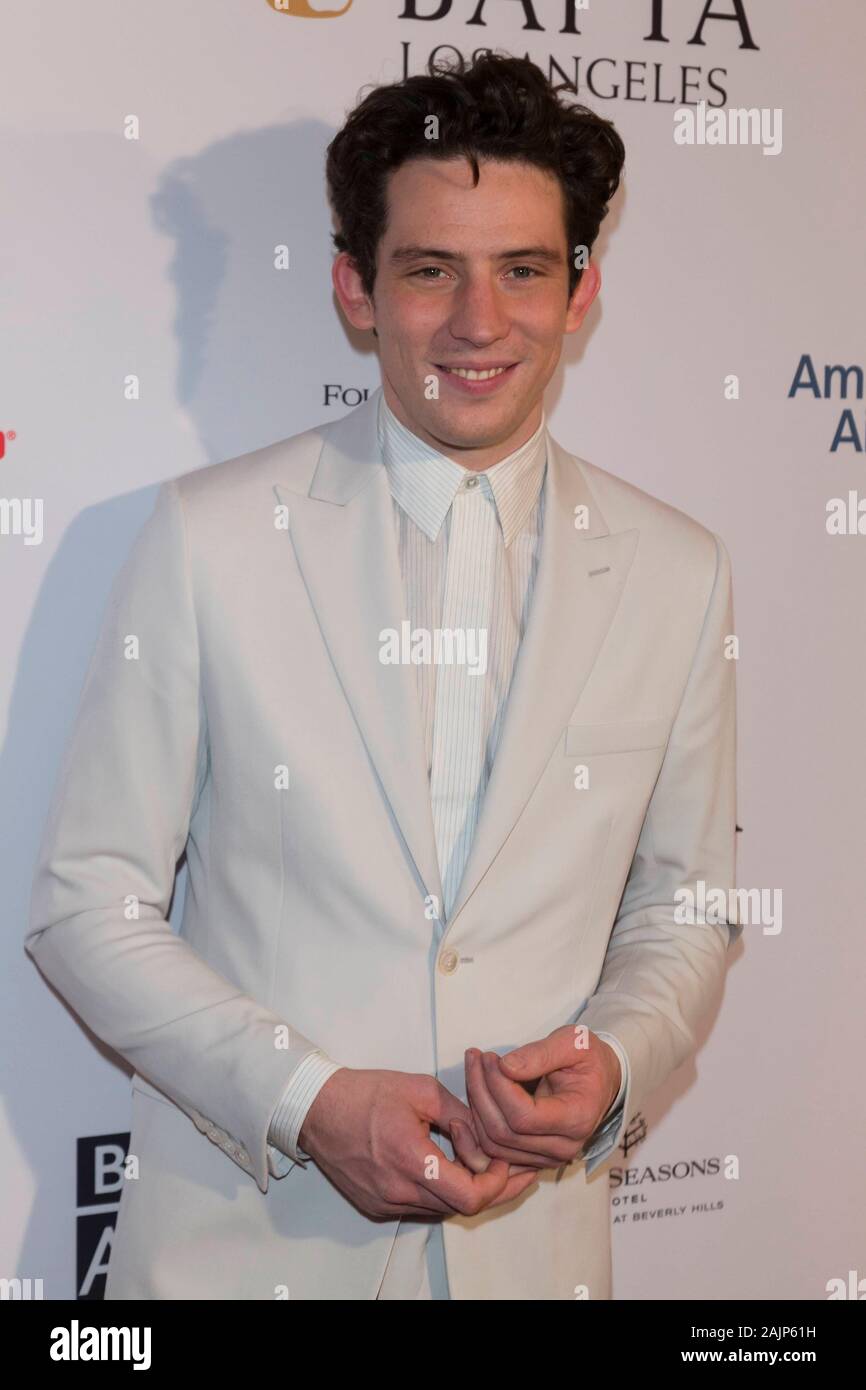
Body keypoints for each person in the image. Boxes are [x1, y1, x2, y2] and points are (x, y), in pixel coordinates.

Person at [26, 52, 740, 1301]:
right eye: (430, 269)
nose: (479, 320)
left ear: (579, 292)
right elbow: (86, 905)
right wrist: (307, 1102)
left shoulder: (678, 570)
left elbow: (684, 902)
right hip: (239, 1257)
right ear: (357, 290)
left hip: (534, 1262)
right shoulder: (208, 539)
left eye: (522, 268)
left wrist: (614, 1063)